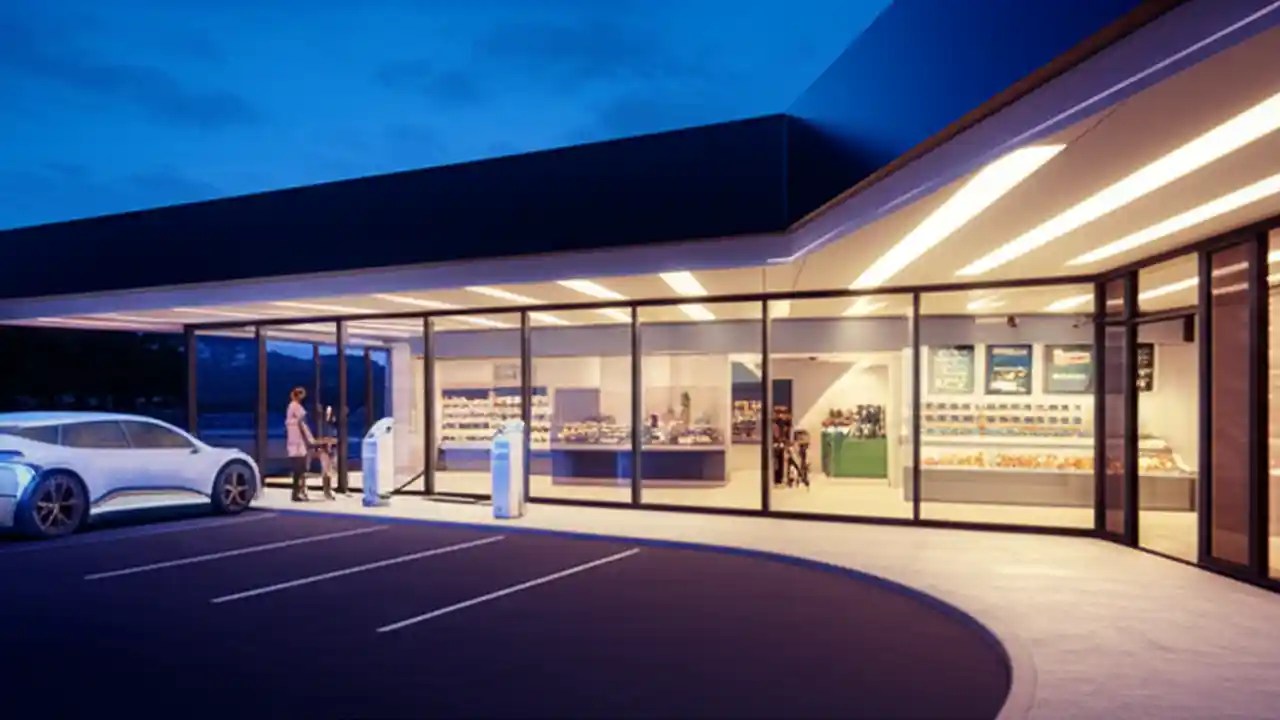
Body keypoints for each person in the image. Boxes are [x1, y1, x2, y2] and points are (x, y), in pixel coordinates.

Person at [285, 386, 316, 502]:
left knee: (297, 471)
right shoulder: (297, 408)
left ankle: (296, 493)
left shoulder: (290, 408)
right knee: (300, 470)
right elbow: (303, 425)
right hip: (299, 443)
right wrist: (310, 439)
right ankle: (298, 493)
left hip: (292, 442)